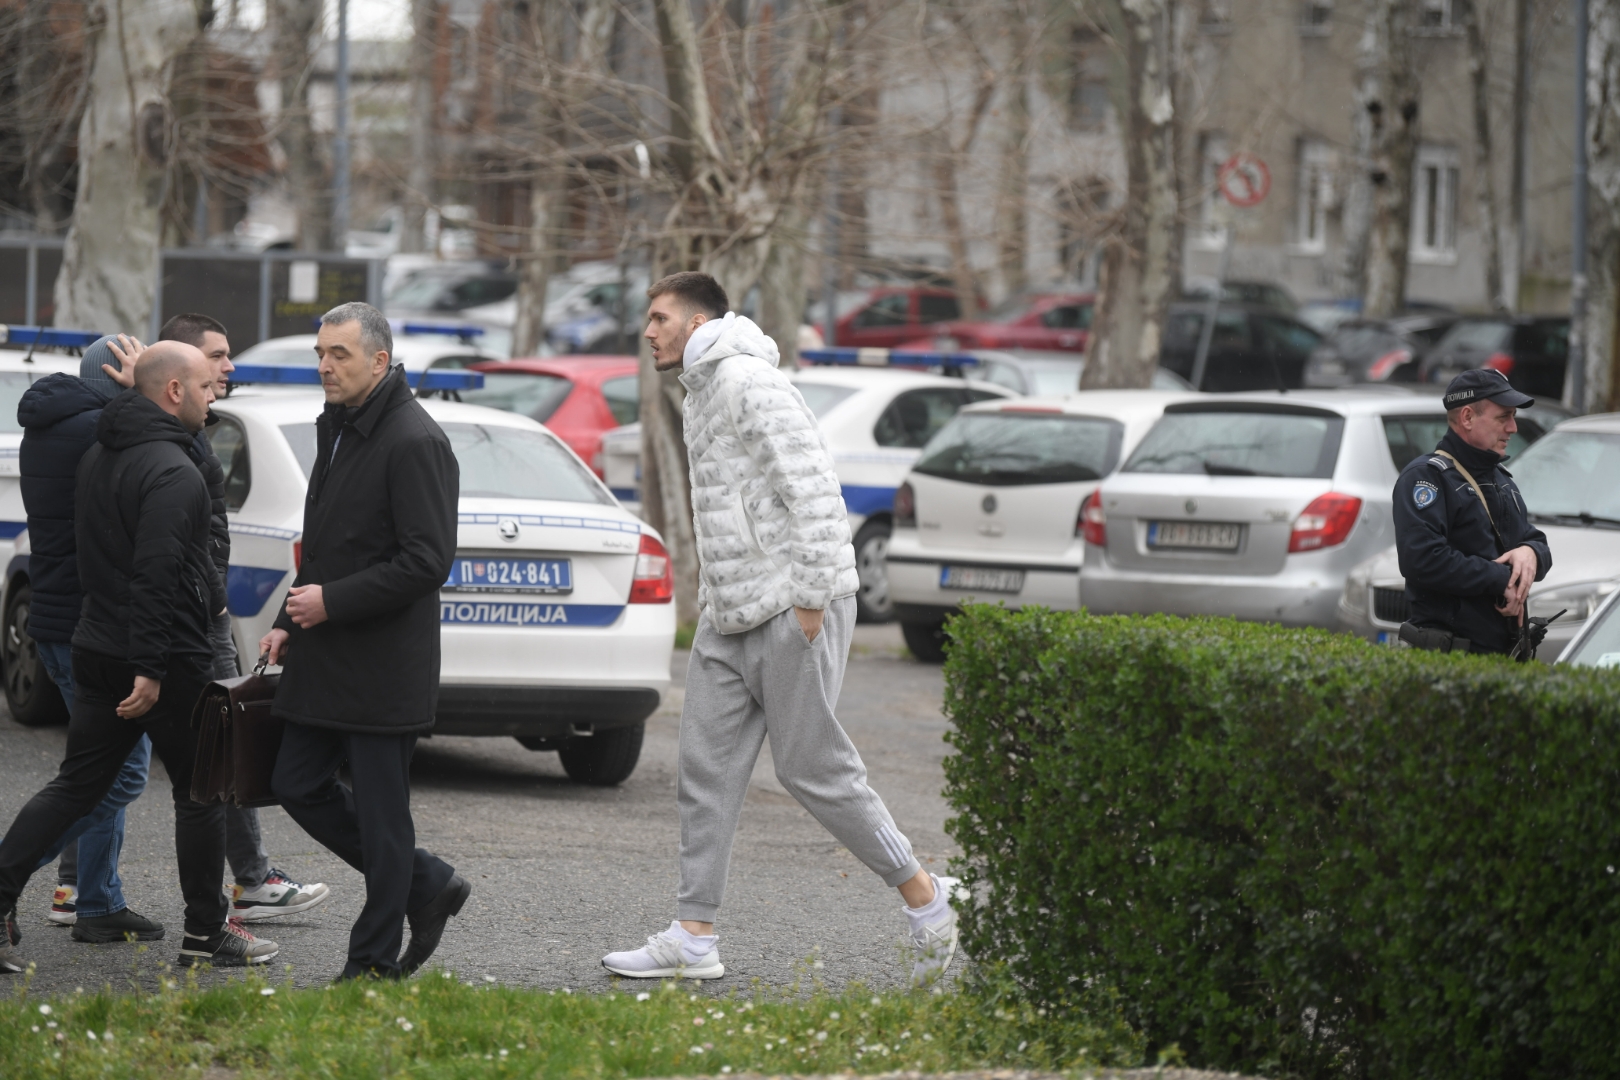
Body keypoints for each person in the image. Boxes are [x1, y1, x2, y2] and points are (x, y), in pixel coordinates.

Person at [601, 272, 960, 988]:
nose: (648, 331)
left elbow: (814, 487)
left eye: (660, 317)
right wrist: (717, 601)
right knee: (703, 770)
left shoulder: (747, 381)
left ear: (697, 322)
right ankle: (694, 937)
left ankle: (928, 899)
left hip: (794, 604)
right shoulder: (702, 389)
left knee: (812, 769)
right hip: (730, 613)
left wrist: (811, 598)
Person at [0, 342, 278, 973]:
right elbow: (155, 577)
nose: (214, 396)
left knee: (77, 786)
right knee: (201, 792)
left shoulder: (101, 453)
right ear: (174, 391)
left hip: (96, 644)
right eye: (205, 386)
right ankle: (206, 934)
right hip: (161, 659)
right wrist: (150, 670)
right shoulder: (174, 472)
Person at [261, 302, 468, 981]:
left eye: (339, 354)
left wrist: (331, 602)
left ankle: (372, 963)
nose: (325, 365)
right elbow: (326, 545)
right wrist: (289, 619)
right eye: (320, 353)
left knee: (383, 819)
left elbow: (427, 561)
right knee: (294, 782)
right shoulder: (340, 424)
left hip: (384, 665)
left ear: (379, 361)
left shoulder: (415, 439)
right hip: (326, 654)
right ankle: (425, 882)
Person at [157, 313, 331, 922]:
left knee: (111, 770)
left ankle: (79, 888)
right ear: (180, 368)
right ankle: (248, 885)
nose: (229, 367)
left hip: (190, 616)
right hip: (194, 620)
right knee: (219, 750)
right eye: (217, 355)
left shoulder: (187, 432)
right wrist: (214, 604)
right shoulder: (177, 440)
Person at [18, 336, 160, 943]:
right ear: (117, 378)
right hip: (88, 628)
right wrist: (138, 396)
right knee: (118, 775)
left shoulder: (51, 426)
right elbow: (158, 443)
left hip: (57, 620)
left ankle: (98, 901)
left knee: (96, 767)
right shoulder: (96, 432)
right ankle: (11, 872)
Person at [1393, 368, 1552, 657]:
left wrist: (1531, 553)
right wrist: (1501, 578)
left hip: (1503, 659)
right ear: (1467, 417)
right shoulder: (1427, 477)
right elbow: (1422, 559)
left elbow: (1534, 540)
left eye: (1513, 417)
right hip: (1450, 661)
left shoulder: (1500, 478)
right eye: (1503, 417)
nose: (1513, 428)